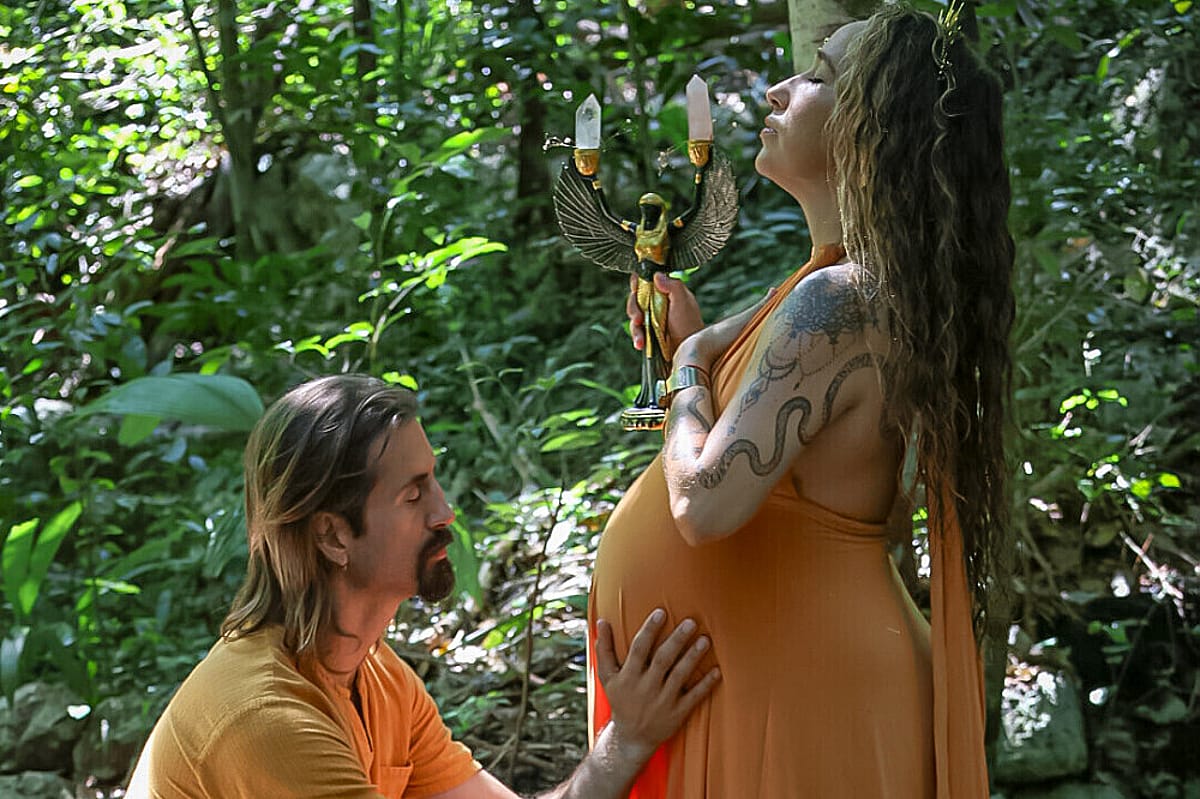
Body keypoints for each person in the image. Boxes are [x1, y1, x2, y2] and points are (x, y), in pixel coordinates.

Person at [588, 5, 1013, 798]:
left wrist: (686, 366)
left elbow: (703, 504)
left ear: (877, 126)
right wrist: (701, 357)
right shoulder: (830, 287)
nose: (781, 89)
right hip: (771, 673)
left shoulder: (842, 299)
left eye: (820, 75)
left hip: (805, 694)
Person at [126, 373, 721, 799]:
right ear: (333, 536)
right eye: (413, 495)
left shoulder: (379, 679)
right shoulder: (268, 720)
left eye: (432, 482)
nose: (445, 513)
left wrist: (629, 737)